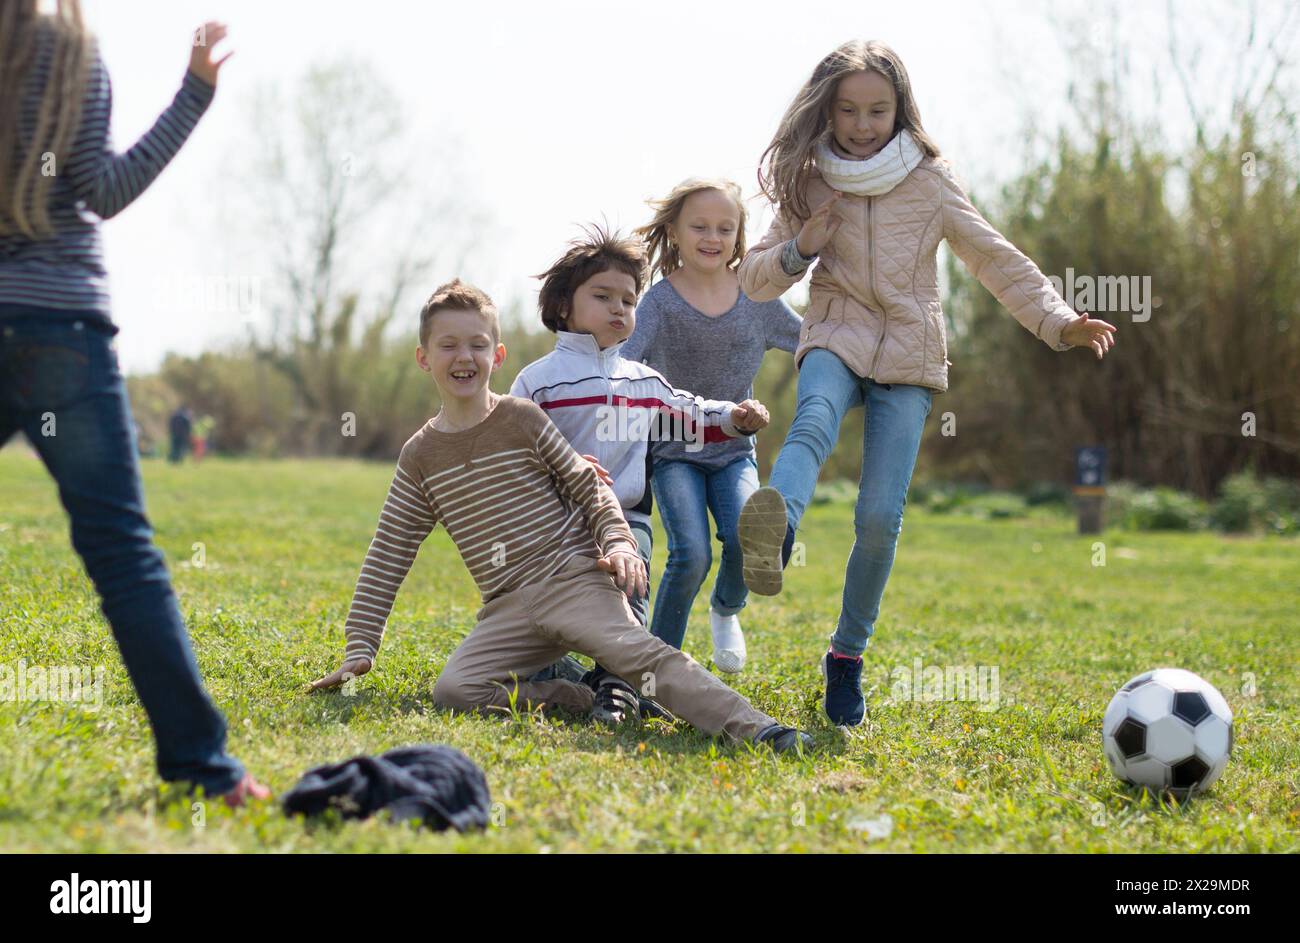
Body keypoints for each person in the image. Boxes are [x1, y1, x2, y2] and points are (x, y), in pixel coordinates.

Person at [736, 39, 1117, 726]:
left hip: (910, 357)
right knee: (815, 413)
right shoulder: (809, 177)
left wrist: (1059, 320)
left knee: (879, 520)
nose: (860, 123)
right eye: (847, 109)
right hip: (834, 332)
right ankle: (778, 529)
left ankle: (846, 656)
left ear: (900, 109)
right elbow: (756, 277)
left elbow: (992, 256)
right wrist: (802, 248)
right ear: (827, 109)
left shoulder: (930, 179)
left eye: (876, 110)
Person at [310, 278, 809, 754]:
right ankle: (576, 694)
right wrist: (361, 646)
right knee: (456, 690)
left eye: (478, 345)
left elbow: (589, 485)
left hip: (575, 580)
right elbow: (389, 550)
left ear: (497, 355)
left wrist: (618, 542)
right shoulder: (420, 456)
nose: (464, 357)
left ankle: (761, 731)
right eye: (448, 346)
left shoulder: (522, 418)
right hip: (507, 607)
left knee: (641, 657)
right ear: (424, 358)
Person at [0, 2, 266, 804]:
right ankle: (204, 764)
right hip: (64, 326)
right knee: (122, 552)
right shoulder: (73, 48)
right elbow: (106, 191)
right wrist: (193, 92)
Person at [510, 223, 768, 696]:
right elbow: (510, 449)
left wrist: (735, 416)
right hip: (555, 521)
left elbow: (691, 411)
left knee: (630, 602)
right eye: (603, 297)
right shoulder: (537, 381)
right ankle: (554, 673)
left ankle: (619, 687)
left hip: (628, 519)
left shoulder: (642, 381)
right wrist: (560, 466)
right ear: (565, 305)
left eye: (628, 301)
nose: (618, 309)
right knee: (542, 626)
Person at [624, 178, 801, 672]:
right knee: (691, 554)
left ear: (739, 235)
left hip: (734, 450)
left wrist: (867, 351)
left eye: (725, 227)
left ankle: (726, 610)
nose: (712, 236)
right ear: (675, 232)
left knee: (751, 536)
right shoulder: (657, 304)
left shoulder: (757, 296)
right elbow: (621, 368)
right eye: (699, 226)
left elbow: (809, 339)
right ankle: (655, 666)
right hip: (673, 451)